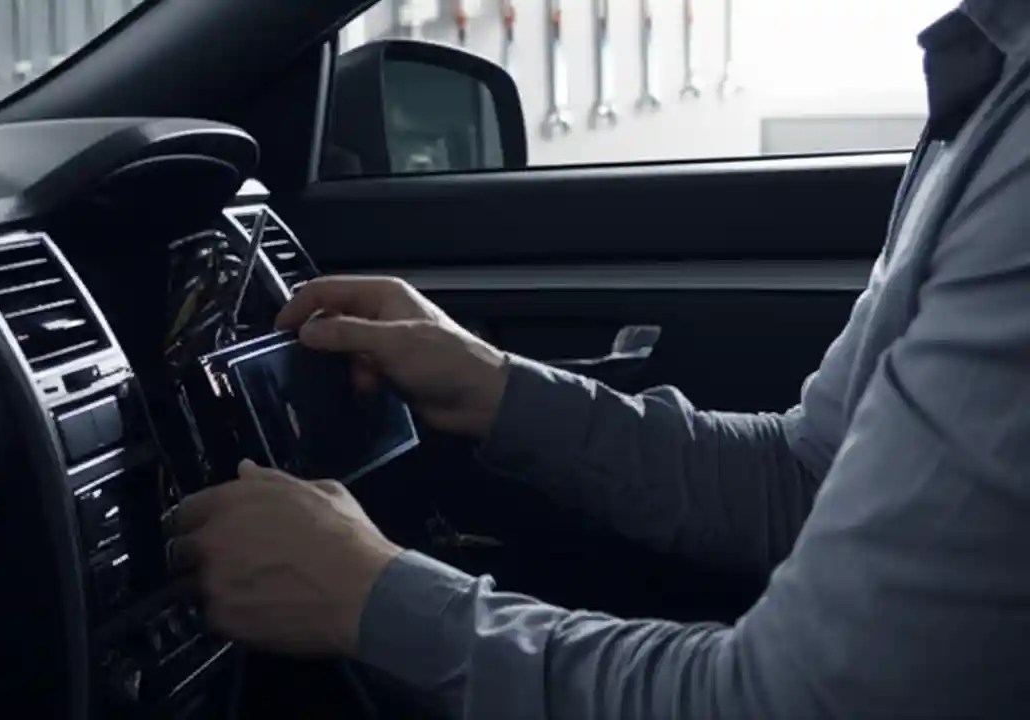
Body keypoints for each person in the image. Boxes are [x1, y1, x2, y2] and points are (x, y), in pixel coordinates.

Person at [165, 4, 1030, 717]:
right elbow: (807, 477)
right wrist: (496, 385)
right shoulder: (994, 86)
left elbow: (794, 702)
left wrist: (365, 596)